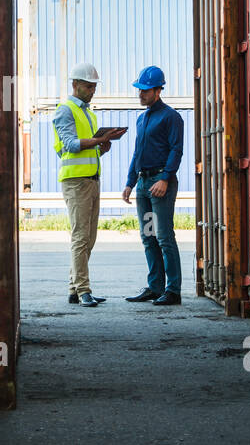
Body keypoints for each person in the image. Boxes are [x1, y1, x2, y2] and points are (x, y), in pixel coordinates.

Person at [52, 63, 114, 308]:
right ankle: (84, 290)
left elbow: (88, 148)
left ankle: (74, 289)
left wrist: (102, 147)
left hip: (91, 180)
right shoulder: (65, 110)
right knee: (80, 237)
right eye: (88, 86)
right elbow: (69, 144)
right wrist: (97, 140)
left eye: (94, 86)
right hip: (76, 182)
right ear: (75, 84)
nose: (92, 90)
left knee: (89, 237)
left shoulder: (89, 112)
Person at [122, 65, 185, 306]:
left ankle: (173, 290)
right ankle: (155, 286)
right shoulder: (142, 118)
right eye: (139, 90)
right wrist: (130, 182)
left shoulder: (171, 117)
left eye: (145, 91)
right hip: (144, 183)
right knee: (148, 236)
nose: (141, 94)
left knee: (164, 236)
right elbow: (137, 152)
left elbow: (176, 150)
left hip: (160, 184)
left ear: (158, 91)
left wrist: (165, 178)